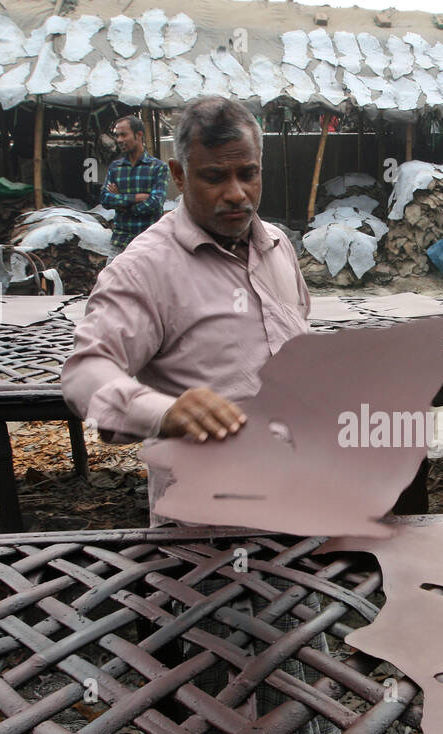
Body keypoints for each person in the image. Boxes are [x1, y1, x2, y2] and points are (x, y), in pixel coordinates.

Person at [64, 96, 309, 522]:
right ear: (178, 175)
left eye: (248, 174)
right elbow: (84, 373)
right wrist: (165, 412)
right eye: (214, 177)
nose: (236, 194)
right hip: (203, 531)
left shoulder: (277, 245)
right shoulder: (145, 269)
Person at [100, 115, 168, 252]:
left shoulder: (158, 167)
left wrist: (122, 203)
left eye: (124, 135)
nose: (119, 140)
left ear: (139, 135)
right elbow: (105, 199)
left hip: (150, 242)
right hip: (120, 242)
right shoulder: (115, 168)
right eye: (117, 136)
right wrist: (136, 198)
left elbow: (155, 203)